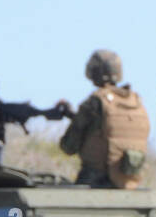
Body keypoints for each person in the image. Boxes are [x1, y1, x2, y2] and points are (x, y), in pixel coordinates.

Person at [59, 49, 150, 189]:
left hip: (95, 179)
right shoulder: (135, 101)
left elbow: (68, 146)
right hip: (128, 181)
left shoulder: (95, 102)